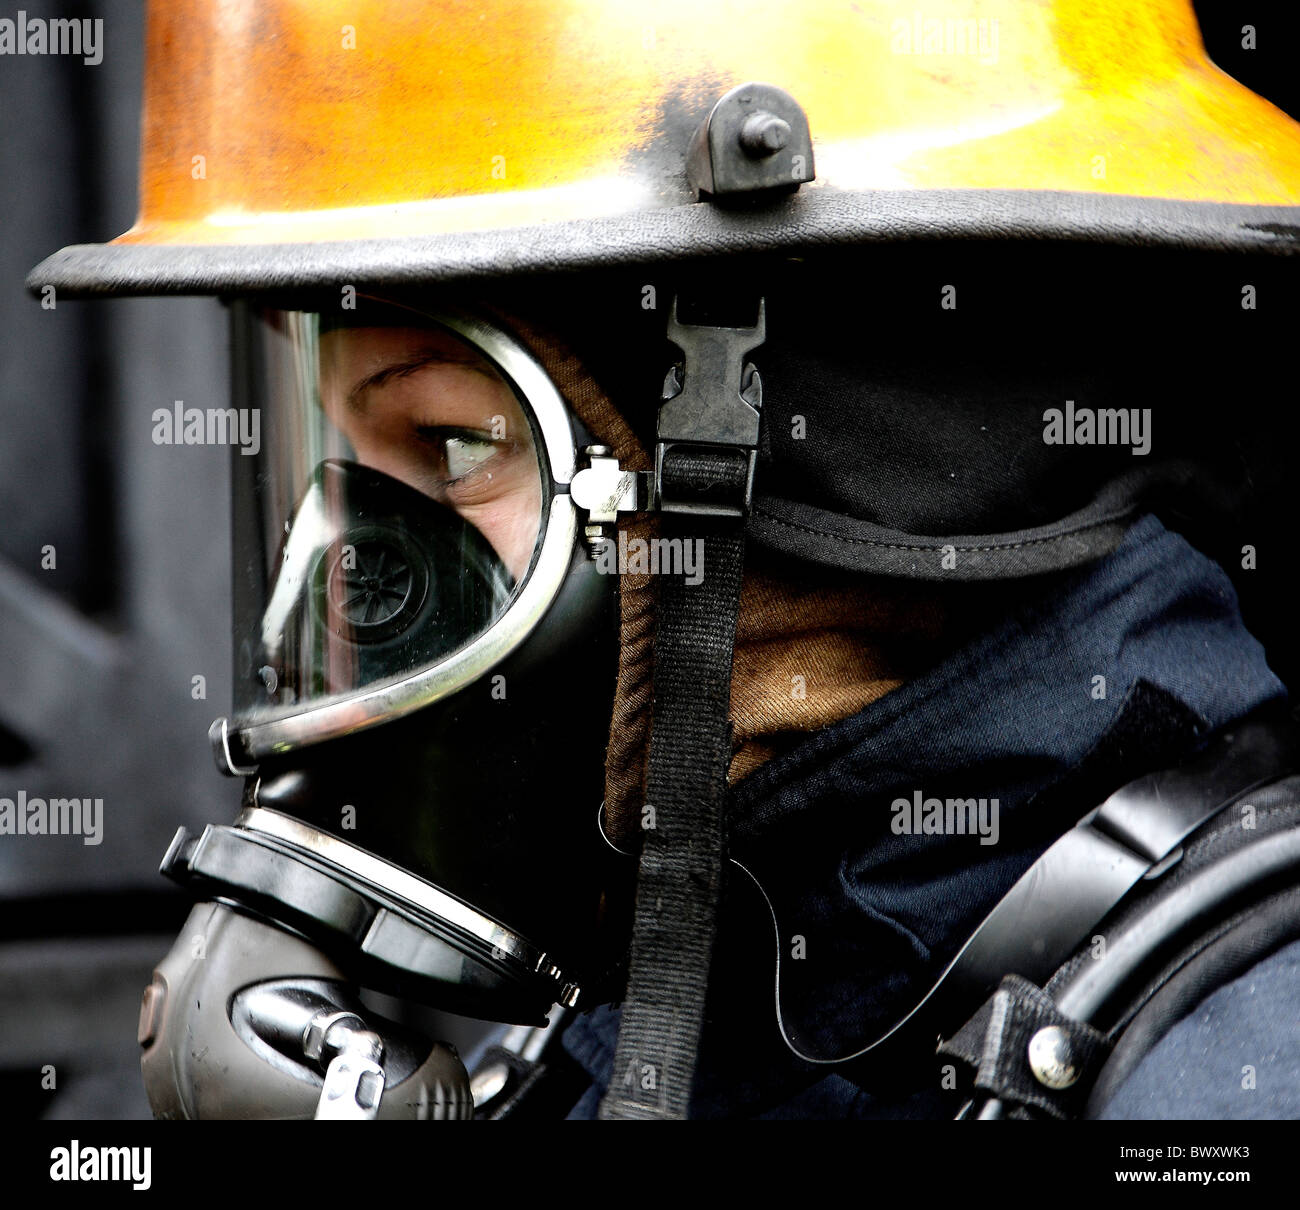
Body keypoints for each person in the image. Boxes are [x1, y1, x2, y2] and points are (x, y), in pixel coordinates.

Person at [27, 0, 1300, 1121]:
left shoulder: (1236, 1064)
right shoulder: (655, 994)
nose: (345, 576)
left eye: (455, 442)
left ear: (812, 440)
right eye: (337, 456)